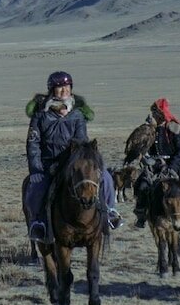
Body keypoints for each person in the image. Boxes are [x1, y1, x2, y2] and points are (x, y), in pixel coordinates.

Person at [24, 71, 122, 243]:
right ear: (52, 89)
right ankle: (38, 222)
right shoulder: (41, 115)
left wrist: (80, 162)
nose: (64, 91)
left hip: (74, 163)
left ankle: (109, 212)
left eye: (67, 87)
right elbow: (33, 144)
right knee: (36, 187)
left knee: (105, 177)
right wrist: (36, 169)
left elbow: (82, 141)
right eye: (60, 87)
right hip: (49, 163)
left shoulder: (77, 115)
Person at [132, 98, 180, 228]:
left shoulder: (173, 128)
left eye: (155, 113)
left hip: (173, 163)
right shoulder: (149, 129)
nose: (153, 115)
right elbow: (143, 148)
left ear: (161, 113)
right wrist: (146, 159)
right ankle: (141, 215)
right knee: (142, 185)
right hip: (154, 165)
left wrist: (173, 166)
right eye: (153, 113)